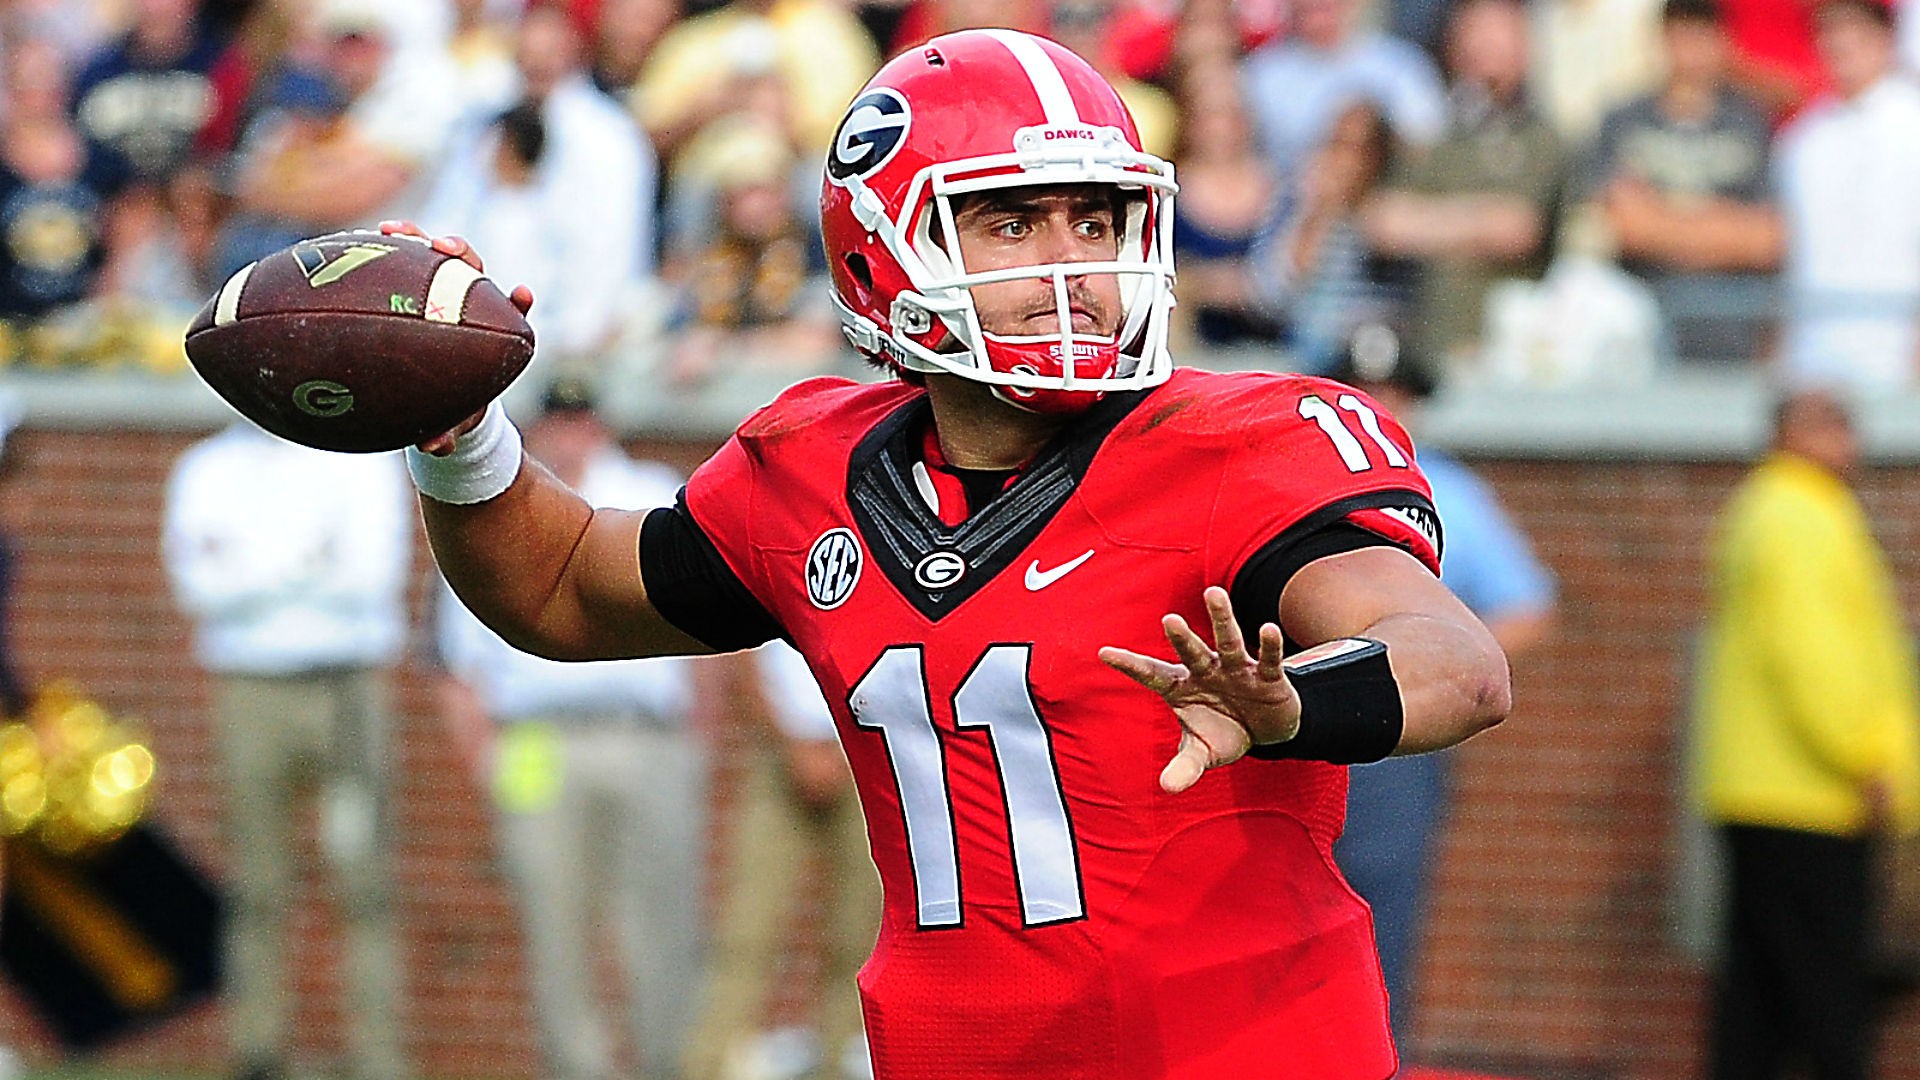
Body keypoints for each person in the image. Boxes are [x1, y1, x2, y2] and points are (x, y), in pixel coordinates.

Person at [394, 30, 1511, 1079]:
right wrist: (462, 433)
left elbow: (1454, 661)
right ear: (884, 256)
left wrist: (1294, 706)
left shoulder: (1241, 446)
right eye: (1012, 225)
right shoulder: (811, 467)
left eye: (1096, 220)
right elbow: (558, 588)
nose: (1071, 266)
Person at [434, 376, 703, 1080]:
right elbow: (460, 663)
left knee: (663, 923)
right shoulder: (496, 508)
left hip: (644, 731)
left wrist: (693, 738)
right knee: (553, 927)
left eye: (581, 419)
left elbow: (712, 631)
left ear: (600, 426)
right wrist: (486, 763)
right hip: (535, 740)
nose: (570, 435)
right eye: (558, 421)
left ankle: (665, 1066)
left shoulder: (652, 486)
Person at [1325, 324, 1556, 1047]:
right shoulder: (1285, 478)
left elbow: (1525, 607)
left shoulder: (1444, 489)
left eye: (1393, 395)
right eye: (1364, 391)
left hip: (1396, 734)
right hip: (1292, 725)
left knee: (1383, 907)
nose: (1378, 407)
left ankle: (1373, 1055)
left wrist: (1449, 666)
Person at [160, 426, 414, 1080]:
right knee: (256, 883)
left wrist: (251, 566)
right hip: (251, 690)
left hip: (347, 691)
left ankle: (377, 1058)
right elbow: (198, 588)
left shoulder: (364, 458)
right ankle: (258, 1052)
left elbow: (369, 577)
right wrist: (307, 558)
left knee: (363, 882)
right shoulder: (205, 467)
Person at [1693, 386, 1920, 1080]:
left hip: (1761, 788)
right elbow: (1814, 654)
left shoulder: (1767, 509)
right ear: (1793, 433)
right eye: (1833, 425)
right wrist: (1868, 758)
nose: (1849, 442)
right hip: (1808, 793)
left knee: (1757, 996)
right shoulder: (1802, 517)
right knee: (1828, 996)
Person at [680, 640, 879, 1080]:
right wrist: (789, 744)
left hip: (867, 750)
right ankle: (709, 1064)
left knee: (859, 931)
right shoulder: (774, 570)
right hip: (779, 750)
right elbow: (746, 654)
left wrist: (849, 745)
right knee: (747, 925)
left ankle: (838, 1060)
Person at [1361, 0, 1565, 380]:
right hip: (1426, 342)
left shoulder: (1540, 136)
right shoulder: (1434, 131)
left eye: (1499, 33)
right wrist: (1479, 219)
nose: (1485, 46)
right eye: (1475, 31)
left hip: (1512, 350)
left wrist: (1427, 221)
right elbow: (1384, 222)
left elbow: (1516, 228)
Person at [1578, 0, 1782, 366]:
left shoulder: (1750, 122)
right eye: (1680, 35)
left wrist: (1665, 221)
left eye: (1700, 36)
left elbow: (1765, 240)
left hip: (1730, 331)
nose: (1689, 51)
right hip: (1638, 331)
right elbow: (1630, 228)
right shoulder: (1624, 119)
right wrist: (1722, 226)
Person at [1774, 0, 1920, 389]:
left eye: (1856, 28)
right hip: (1812, 357)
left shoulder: (1913, 124)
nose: (1841, 42)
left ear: (1887, 37)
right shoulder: (1801, 139)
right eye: (1829, 29)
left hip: (1898, 354)